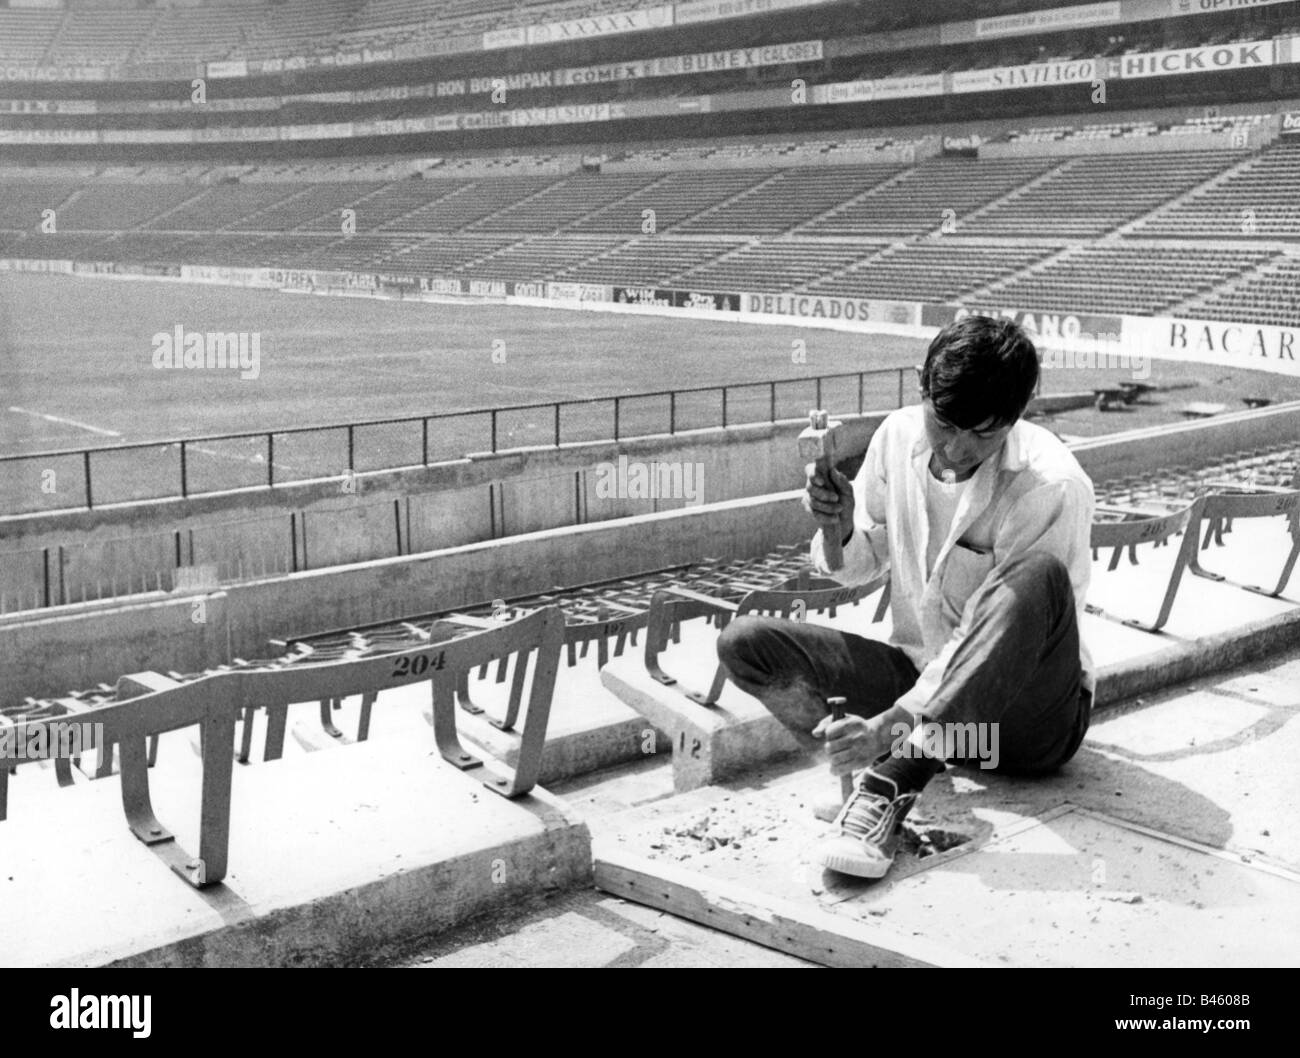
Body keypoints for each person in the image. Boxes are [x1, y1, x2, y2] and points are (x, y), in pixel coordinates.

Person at [715, 315, 1096, 878]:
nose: (957, 449)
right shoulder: (896, 436)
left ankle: (890, 780)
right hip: (922, 687)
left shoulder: (1050, 485)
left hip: (1025, 723)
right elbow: (861, 561)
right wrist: (837, 527)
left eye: (983, 434)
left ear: (1018, 418)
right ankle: (853, 764)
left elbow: (995, 632)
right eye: (945, 423)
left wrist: (892, 727)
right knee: (745, 643)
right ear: (922, 386)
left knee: (1037, 577)